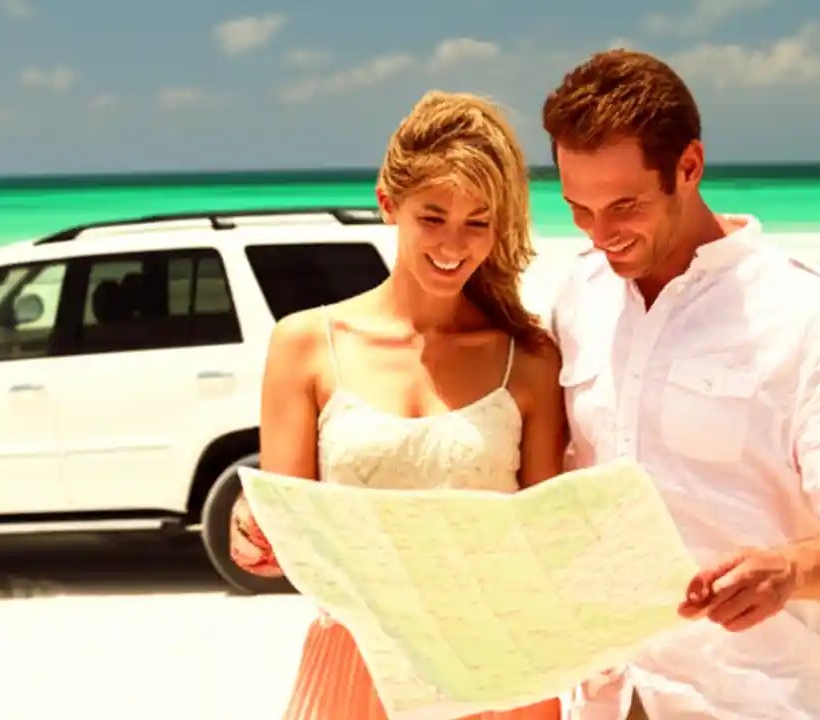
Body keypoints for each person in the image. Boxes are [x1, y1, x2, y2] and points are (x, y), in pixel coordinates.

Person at [542, 49, 820, 719]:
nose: (600, 235)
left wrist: (791, 570)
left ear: (689, 166)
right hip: (604, 696)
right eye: (578, 208)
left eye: (624, 206)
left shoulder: (810, 315)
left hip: (753, 700)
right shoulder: (579, 296)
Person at [228, 90, 569, 719]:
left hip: (497, 670)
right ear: (389, 204)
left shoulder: (530, 358)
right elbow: (289, 540)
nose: (453, 244)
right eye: (432, 217)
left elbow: (542, 543)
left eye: (478, 222)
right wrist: (253, 522)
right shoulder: (305, 345)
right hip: (358, 666)